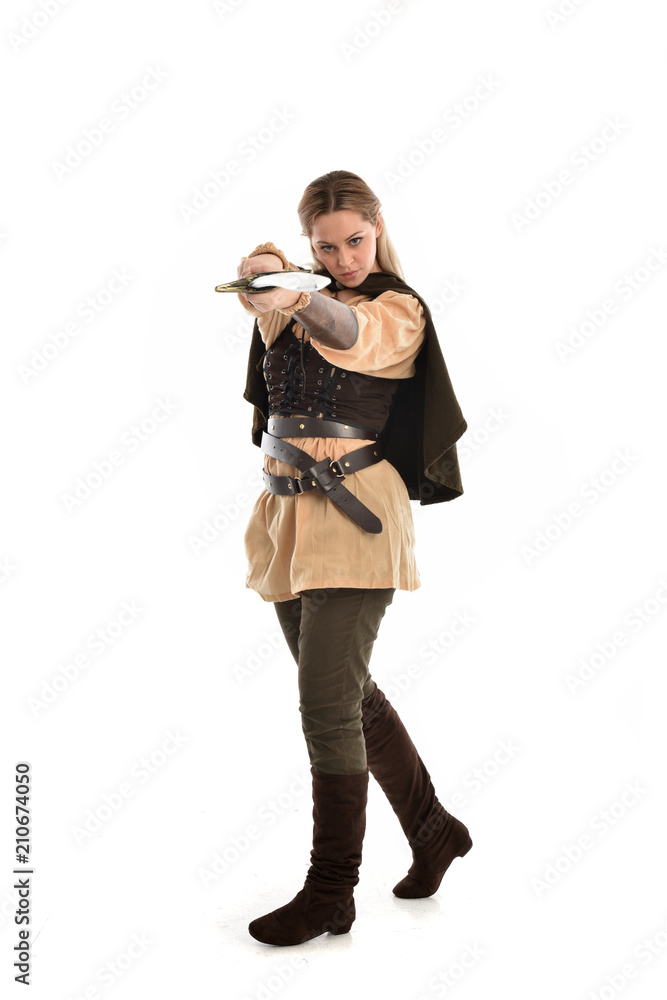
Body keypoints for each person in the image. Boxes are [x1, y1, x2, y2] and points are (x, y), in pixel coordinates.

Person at [234, 170, 471, 947]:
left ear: (377, 227)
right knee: (349, 694)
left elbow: (346, 332)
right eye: (325, 246)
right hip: (288, 517)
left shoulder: (397, 310)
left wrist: (296, 295)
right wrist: (263, 275)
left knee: (324, 706)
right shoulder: (299, 298)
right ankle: (432, 829)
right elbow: (273, 323)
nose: (342, 257)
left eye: (356, 240)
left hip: (356, 519)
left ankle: (331, 889)